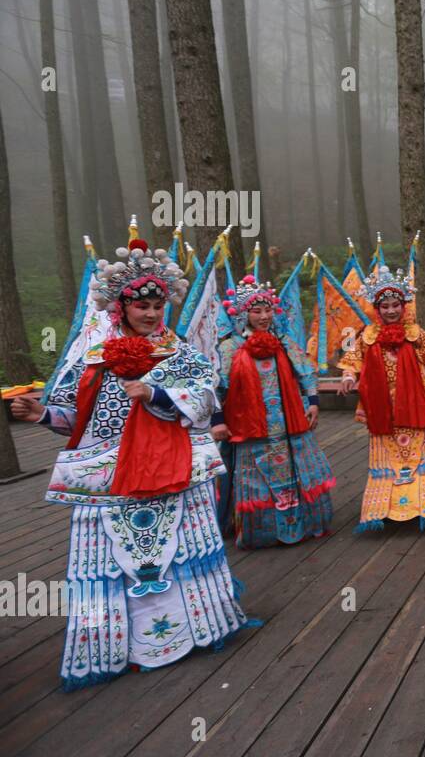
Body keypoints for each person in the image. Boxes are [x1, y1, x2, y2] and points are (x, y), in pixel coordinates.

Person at [11, 235, 249, 689]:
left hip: (174, 469)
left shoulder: (177, 350)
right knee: (112, 564)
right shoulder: (91, 354)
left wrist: (155, 392)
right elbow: (74, 418)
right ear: (120, 307)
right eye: (142, 305)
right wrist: (41, 413)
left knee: (181, 553)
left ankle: (199, 630)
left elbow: (204, 401)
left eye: (158, 304)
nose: (152, 312)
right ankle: (120, 647)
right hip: (108, 476)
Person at [212, 275, 335, 547]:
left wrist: (313, 401)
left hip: (288, 423)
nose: (264, 316)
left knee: (295, 470)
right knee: (255, 476)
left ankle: (304, 524)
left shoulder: (283, 341)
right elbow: (218, 386)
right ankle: (262, 531)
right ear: (244, 313)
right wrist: (218, 420)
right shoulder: (230, 346)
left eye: (268, 310)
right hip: (250, 426)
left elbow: (304, 370)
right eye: (257, 311)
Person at [338, 264, 425, 532]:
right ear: (376, 309)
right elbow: (352, 360)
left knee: (421, 454)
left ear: (403, 306)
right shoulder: (366, 337)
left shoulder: (416, 333)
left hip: (416, 404)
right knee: (387, 457)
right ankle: (388, 509)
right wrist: (347, 377)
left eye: (395, 305)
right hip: (382, 408)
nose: (391, 310)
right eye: (385, 306)